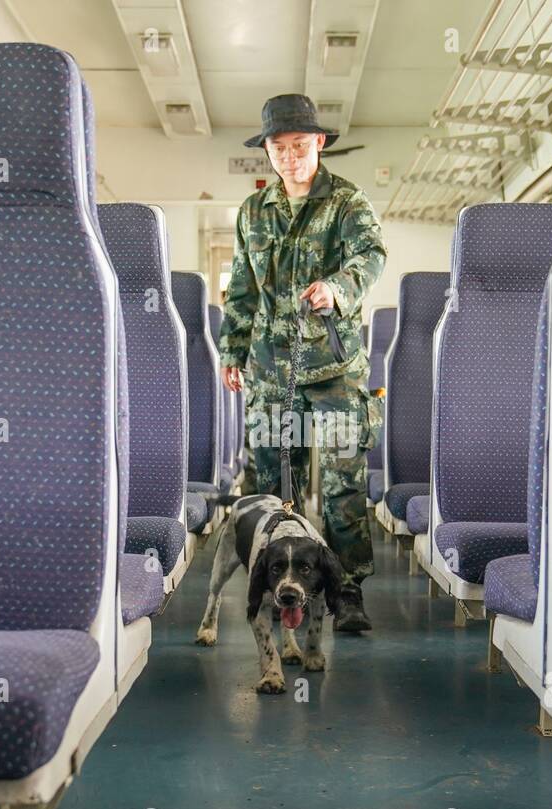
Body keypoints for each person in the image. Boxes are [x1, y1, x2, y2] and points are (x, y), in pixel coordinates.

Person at [218, 93, 387, 632]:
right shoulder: (252, 212)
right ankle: (272, 590)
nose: (289, 156)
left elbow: (371, 255)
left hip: (335, 369)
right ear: (267, 151)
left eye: (298, 145)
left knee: (341, 485)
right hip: (273, 371)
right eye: (278, 147)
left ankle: (348, 594)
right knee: (269, 484)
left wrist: (338, 288)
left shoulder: (347, 202)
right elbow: (241, 288)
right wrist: (233, 350)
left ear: (319, 143)